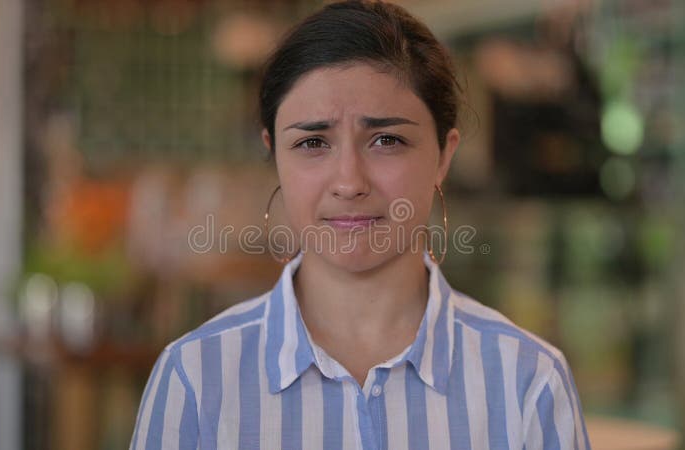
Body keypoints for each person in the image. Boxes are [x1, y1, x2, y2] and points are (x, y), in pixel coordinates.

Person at [130, 1, 591, 449]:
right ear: (274, 154)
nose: (349, 182)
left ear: (444, 155)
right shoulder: (196, 377)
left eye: (387, 140)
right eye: (312, 142)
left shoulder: (527, 382)